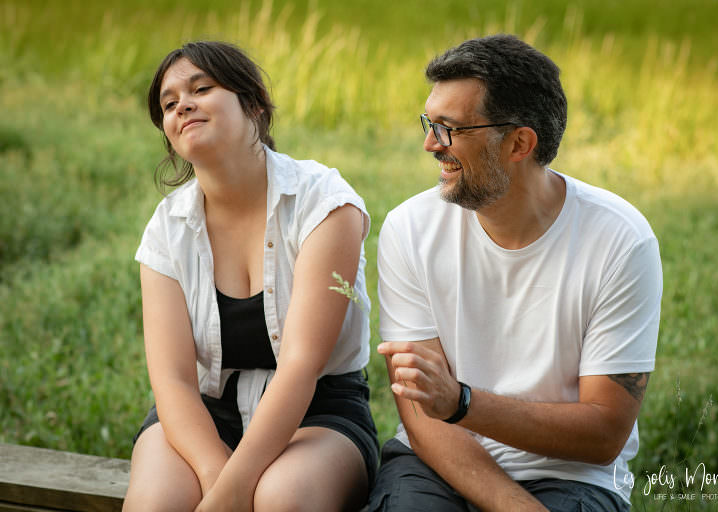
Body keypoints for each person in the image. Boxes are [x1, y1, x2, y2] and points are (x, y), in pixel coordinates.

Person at [368, 34, 662, 512]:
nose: (429, 144)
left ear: (519, 143)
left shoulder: (620, 241)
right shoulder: (410, 228)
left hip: (570, 473)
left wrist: (462, 402)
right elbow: (424, 414)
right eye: (429, 123)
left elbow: (605, 433)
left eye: (449, 129)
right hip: (437, 457)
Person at [122, 41, 378, 512]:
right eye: (169, 103)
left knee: (283, 499)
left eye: (202, 88)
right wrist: (217, 478)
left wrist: (232, 493)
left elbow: (301, 364)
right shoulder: (167, 227)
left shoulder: (324, 204)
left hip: (317, 412)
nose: (183, 105)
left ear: (254, 103)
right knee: (156, 503)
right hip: (204, 412)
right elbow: (174, 380)